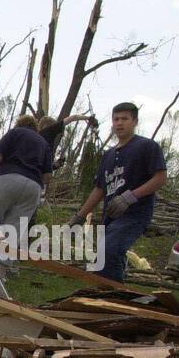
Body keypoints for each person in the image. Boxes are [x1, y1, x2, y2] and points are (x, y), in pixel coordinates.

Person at [68, 102, 167, 282]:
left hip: (135, 214)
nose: (119, 123)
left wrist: (130, 197)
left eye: (124, 119)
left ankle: (111, 296)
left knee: (110, 250)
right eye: (116, 119)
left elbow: (160, 178)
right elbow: (99, 189)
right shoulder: (108, 155)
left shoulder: (147, 146)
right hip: (111, 216)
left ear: (135, 121)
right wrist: (80, 217)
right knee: (105, 257)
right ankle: (105, 298)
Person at [0, 115, 53, 248]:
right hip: (34, 187)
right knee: (14, 231)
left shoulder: (15, 132)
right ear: (35, 128)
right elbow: (47, 176)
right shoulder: (44, 143)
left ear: (19, 124)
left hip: (8, 177)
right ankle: (6, 266)